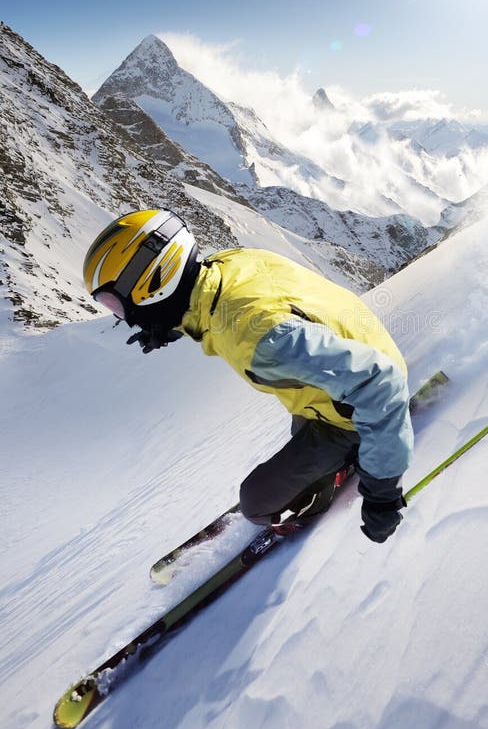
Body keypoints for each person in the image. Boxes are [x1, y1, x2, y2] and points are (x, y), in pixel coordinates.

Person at [82, 208, 412, 543]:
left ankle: (340, 476)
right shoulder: (227, 265)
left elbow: (381, 385)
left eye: (117, 304)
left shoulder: (256, 338)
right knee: (301, 432)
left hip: (361, 401)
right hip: (361, 351)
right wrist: (172, 327)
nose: (125, 317)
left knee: (256, 504)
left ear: (150, 283)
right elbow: (221, 306)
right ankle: (354, 448)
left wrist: (383, 495)